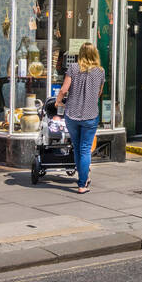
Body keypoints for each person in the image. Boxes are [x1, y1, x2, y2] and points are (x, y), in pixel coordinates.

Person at [55, 43, 106, 192]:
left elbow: (64, 89)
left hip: (72, 114)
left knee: (77, 147)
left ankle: (83, 177)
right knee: (85, 149)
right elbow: (99, 92)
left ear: (81, 53)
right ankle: (82, 184)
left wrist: (58, 101)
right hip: (90, 115)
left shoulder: (73, 68)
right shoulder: (100, 71)